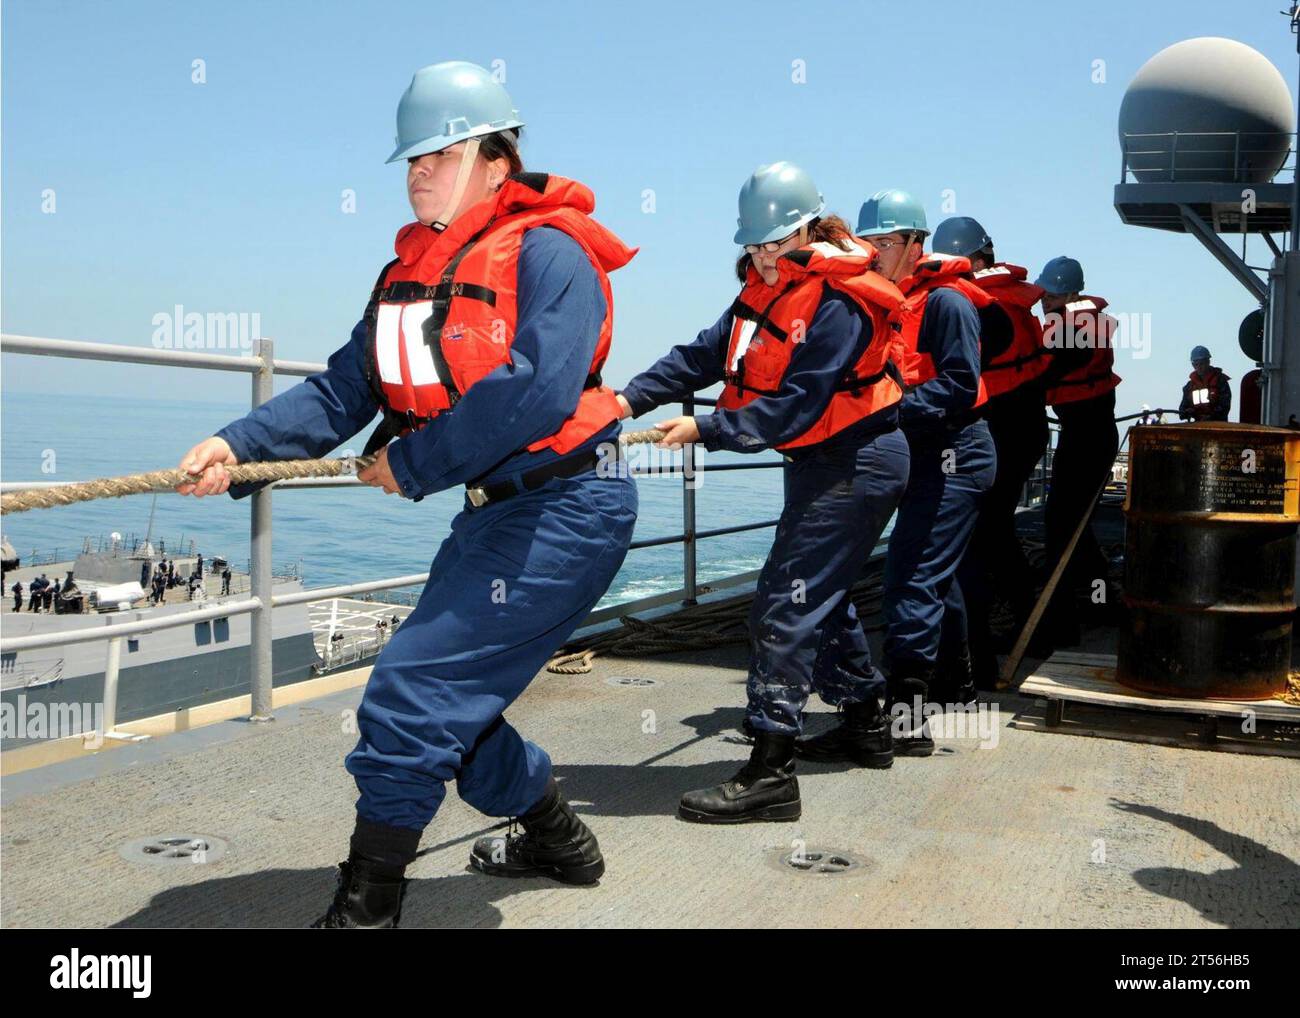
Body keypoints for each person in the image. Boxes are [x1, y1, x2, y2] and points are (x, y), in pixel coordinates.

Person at [176, 61, 638, 928]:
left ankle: (367, 907)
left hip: (573, 507)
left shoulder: (553, 253)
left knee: (411, 691)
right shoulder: (409, 273)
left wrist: (417, 462)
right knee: (450, 702)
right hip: (495, 511)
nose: (418, 170)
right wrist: (236, 447)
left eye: (440, 152)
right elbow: (344, 390)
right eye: (413, 158)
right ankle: (553, 829)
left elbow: (536, 392)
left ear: (496, 161)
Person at [619, 163, 910, 823]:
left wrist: (708, 427)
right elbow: (702, 355)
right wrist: (625, 397)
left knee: (781, 606)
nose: (763, 256)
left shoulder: (837, 304)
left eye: (775, 243)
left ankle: (771, 773)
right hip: (821, 462)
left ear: (810, 228)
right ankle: (867, 724)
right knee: (822, 598)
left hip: (855, 461)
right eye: (752, 246)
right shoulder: (763, 292)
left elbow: (797, 406)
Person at [855, 191, 999, 752]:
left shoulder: (945, 305)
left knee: (911, 575)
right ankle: (957, 686)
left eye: (886, 242)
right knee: (937, 577)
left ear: (918, 244)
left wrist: (886, 411)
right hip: (919, 450)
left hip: (956, 454)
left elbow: (961, 384)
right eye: (868, 242)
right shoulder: (895, 302)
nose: (874, 252)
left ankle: (908, 720)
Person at [931, 216, 1048, 688]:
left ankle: (977, 658)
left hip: (999, 427)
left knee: (976, 542)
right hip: (1018, 425)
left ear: (976, 260)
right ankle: (1031, 628)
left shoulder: (980, 306)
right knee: (993, 535)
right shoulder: (1005, 302)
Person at [1034, 255, 1122, 652]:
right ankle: (1104, 602)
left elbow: (1042, 375)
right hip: (1086, 434)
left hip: (1087, 438)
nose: (1043, 303)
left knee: (1060, 525)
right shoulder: (1076, 326)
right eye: (1042, 296)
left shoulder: (1075, 334)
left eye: (1050, 297)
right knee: (1074, 525)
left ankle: (1058, 624)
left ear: (1071, 295)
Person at [1179, 345, 1232, 422]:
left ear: (1208, 362)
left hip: (1218, 426)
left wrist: (1211, 417)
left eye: (1202, 364)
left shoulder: (1220, 381)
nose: (1199, 367)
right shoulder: (1189, 386)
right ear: (1193, 365)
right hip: (1198, 427)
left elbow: (1225, 407)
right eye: (1196, 364)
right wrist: (1188, 412)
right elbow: (1182, 411)